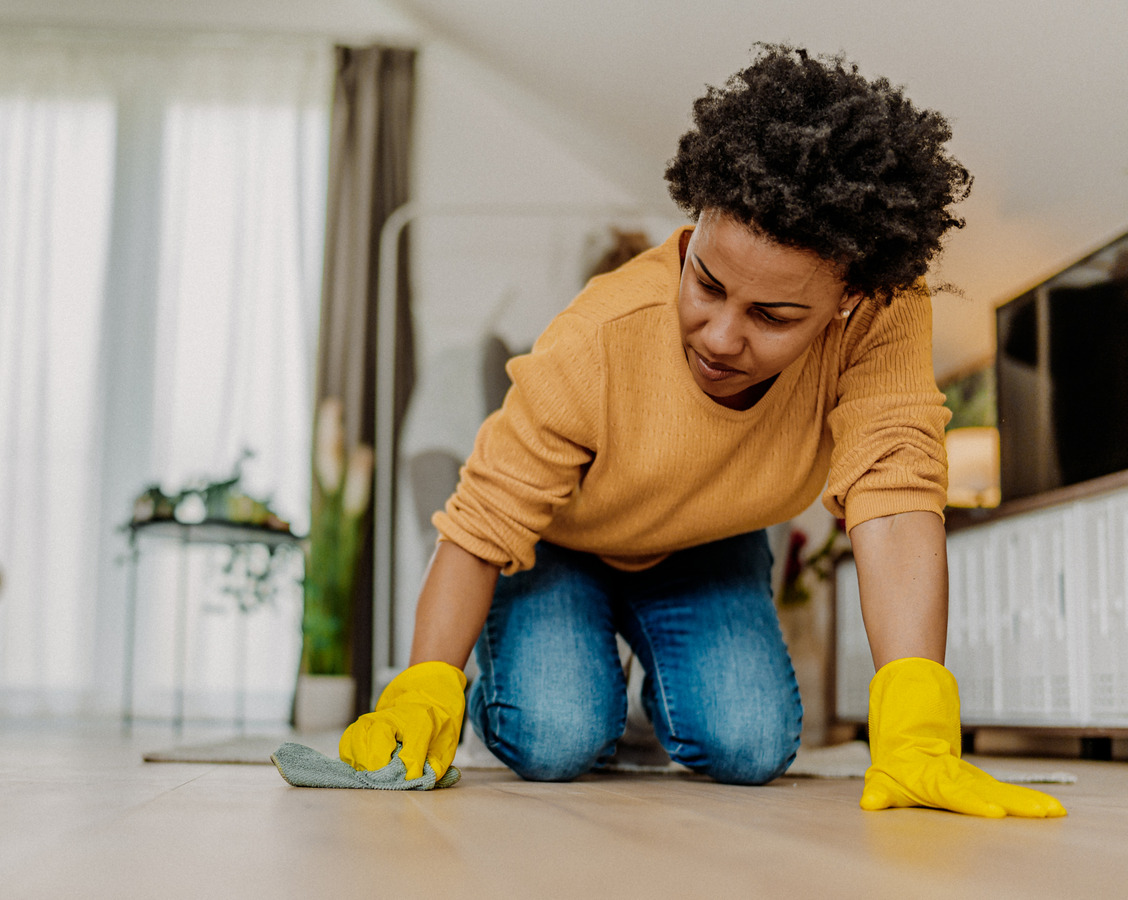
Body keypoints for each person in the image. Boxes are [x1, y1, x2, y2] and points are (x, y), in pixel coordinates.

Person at [336, 44, 1066, 818]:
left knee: (748, 748)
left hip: (707, 542)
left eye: (773, 316)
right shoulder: (599, 337)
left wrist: (917, 729)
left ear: (847, 300)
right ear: (695, 228)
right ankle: (529, 682)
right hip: (560, 542)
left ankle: (643, 675)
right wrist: (422, 689)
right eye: (708, 285)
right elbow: (480, 523)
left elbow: (895, 490)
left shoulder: (884, 312)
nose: (719, 336)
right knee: (554, 739)